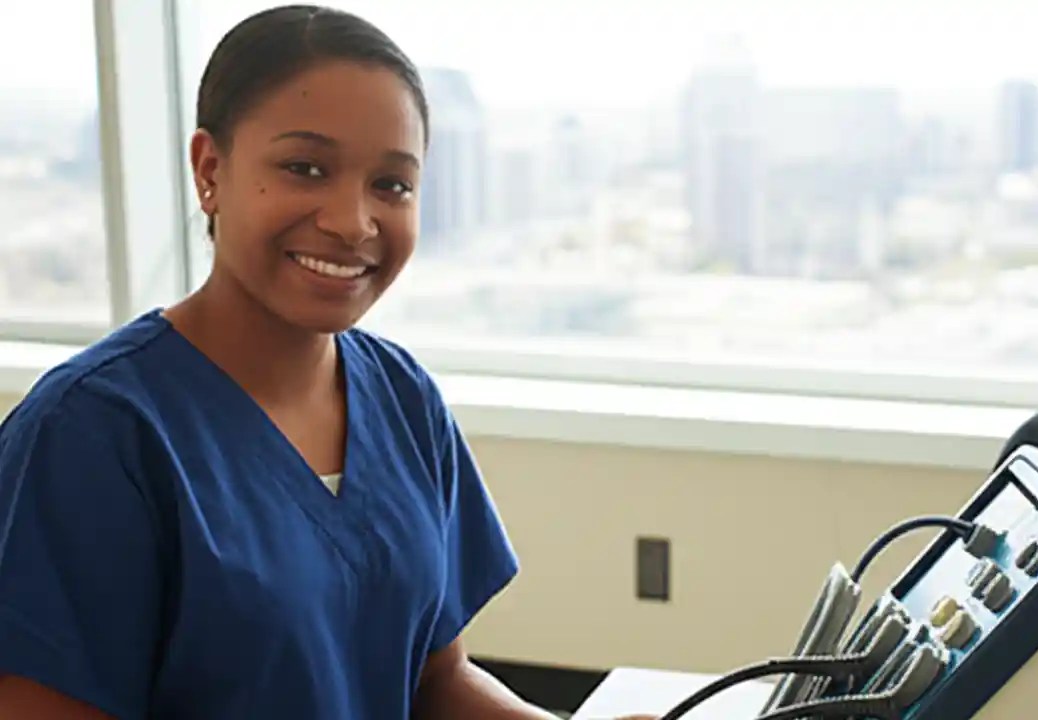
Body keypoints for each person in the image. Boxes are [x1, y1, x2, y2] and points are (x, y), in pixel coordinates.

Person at [0, 5, 656, 719]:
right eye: (305, 168)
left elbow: (435, 685)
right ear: (209, 169)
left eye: (392, 185)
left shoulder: (402, 397)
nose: (352, 221)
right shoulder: (91, 434)